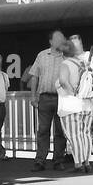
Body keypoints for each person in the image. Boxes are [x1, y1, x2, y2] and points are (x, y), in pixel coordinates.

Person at [24, 28, 69, 171]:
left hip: (62, 98)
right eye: (58, 38)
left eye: (62, 38)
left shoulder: (67, 57)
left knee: (60, 131)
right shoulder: (42, 55)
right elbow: (35, 76)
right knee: (43, 130)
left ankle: (58, 160)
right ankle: (40, 160)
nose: (61, 41)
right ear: (51, 41)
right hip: (44, 97)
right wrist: (33, 96)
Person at [57, 40, 93, 172]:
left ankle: (78, 164)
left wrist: (72, 92)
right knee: (85, 134)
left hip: (71, 105)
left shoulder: (65, 64)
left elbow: (63, 81)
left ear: (63, 53)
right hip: (88, 104)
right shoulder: (84, 63)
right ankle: (87, 162)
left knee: (74, 135)